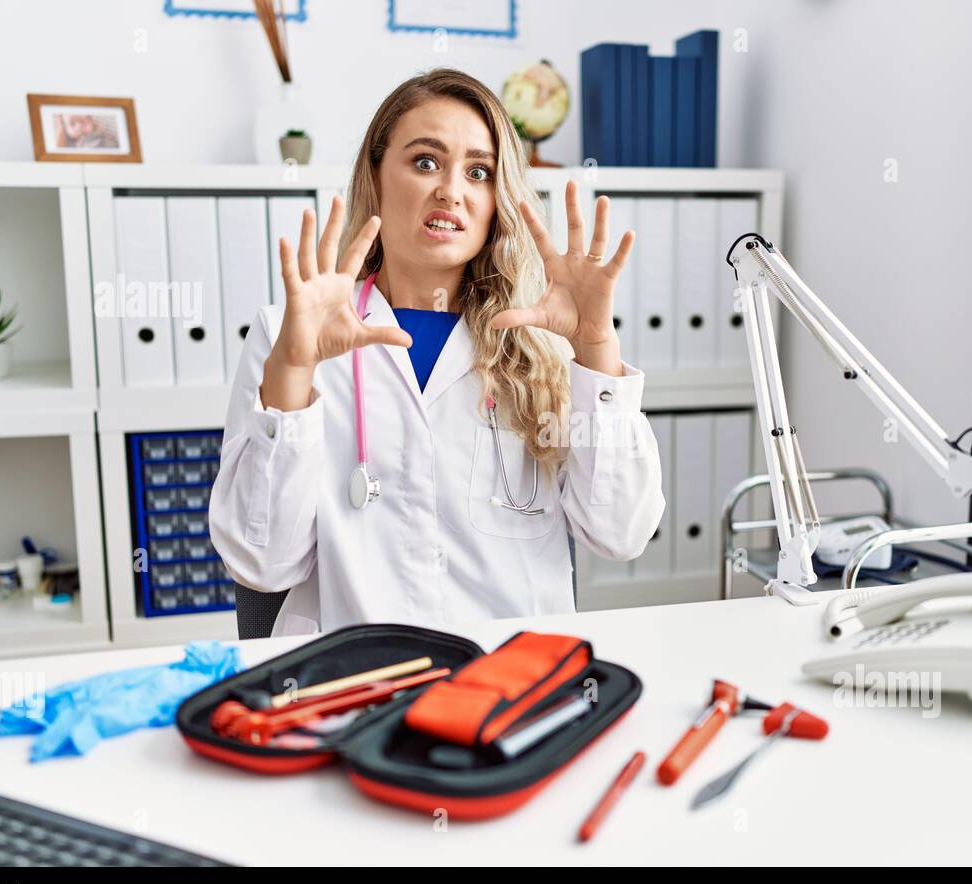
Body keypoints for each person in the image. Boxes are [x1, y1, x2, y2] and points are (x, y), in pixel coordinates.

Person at [209, 68, 665, 636]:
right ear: (374, 177)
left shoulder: (546, 339)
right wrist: (294, 370)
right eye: (425, 162)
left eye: (478, 172)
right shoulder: (290, 333)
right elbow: (261, 564)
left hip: (510, 682)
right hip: (352, 684)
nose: (451, 190)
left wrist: (597, 346)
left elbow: (620, 534)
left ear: (498, 200)